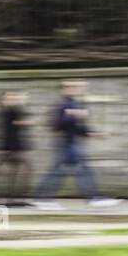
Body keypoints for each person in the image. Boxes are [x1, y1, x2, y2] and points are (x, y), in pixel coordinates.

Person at [33, 80, 121, 209]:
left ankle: (43, 199)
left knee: (61, 171)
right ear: (65, 89)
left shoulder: (75, 104)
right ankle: (94, 198)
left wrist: (94, 133)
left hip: (71, 143)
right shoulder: (61, 105)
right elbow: (56, 124)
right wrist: (73, 114)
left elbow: (78, 128)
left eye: (80, 87)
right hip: (64, 143)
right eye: (75, 87)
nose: (79, 89)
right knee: (78, 170)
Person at [0, 91, 33, 206]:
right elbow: (2, 132)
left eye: (13, 98)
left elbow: (17, 124)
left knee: (19, 172)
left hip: (15, 148)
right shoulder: (4, 113)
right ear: (3, 100)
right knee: (4, 173)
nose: (12, 100)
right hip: (6, 148)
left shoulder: (12, 112)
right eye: (9, 98)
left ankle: (12, 198)